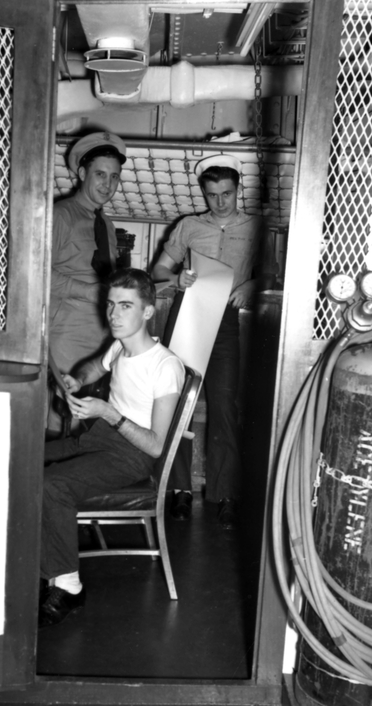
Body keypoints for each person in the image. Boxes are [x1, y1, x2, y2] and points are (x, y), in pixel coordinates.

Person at [40, 269, 185, 626]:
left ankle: (69, 587)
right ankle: (45, 565)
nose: (114, 315)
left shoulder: (165, 366)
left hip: (130, 456)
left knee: (52, 485)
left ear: (148, 312)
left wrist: (107, 412)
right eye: (110, 305)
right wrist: (79, 379)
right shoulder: (120, 345)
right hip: (98, 440)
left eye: (125, 306)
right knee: (21, 457)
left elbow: (155, 446)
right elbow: (95, 367)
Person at [151, 154, 260, 529]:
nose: (220, 202)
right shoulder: (189, 226)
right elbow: (158, 270)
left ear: (238, 190)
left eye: (227, 193)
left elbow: (274, 273)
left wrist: (251, 285)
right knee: (179, 401)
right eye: (212, 194)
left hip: (227, 323)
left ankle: (225, 494)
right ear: (204, 193)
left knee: (225, 407)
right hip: (188, 316)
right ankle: (178, 489)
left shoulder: (256, 227)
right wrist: (174, 278)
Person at [49, 131, 127, 376]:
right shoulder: (61, 215)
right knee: (60, 407)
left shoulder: (108, 226)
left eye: (114, 176)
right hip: (66, 331)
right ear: (83, 174)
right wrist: (89, 292)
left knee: (83, 408)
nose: (108, 184)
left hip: (103, 330)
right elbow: (34, 275)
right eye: (100, 175)